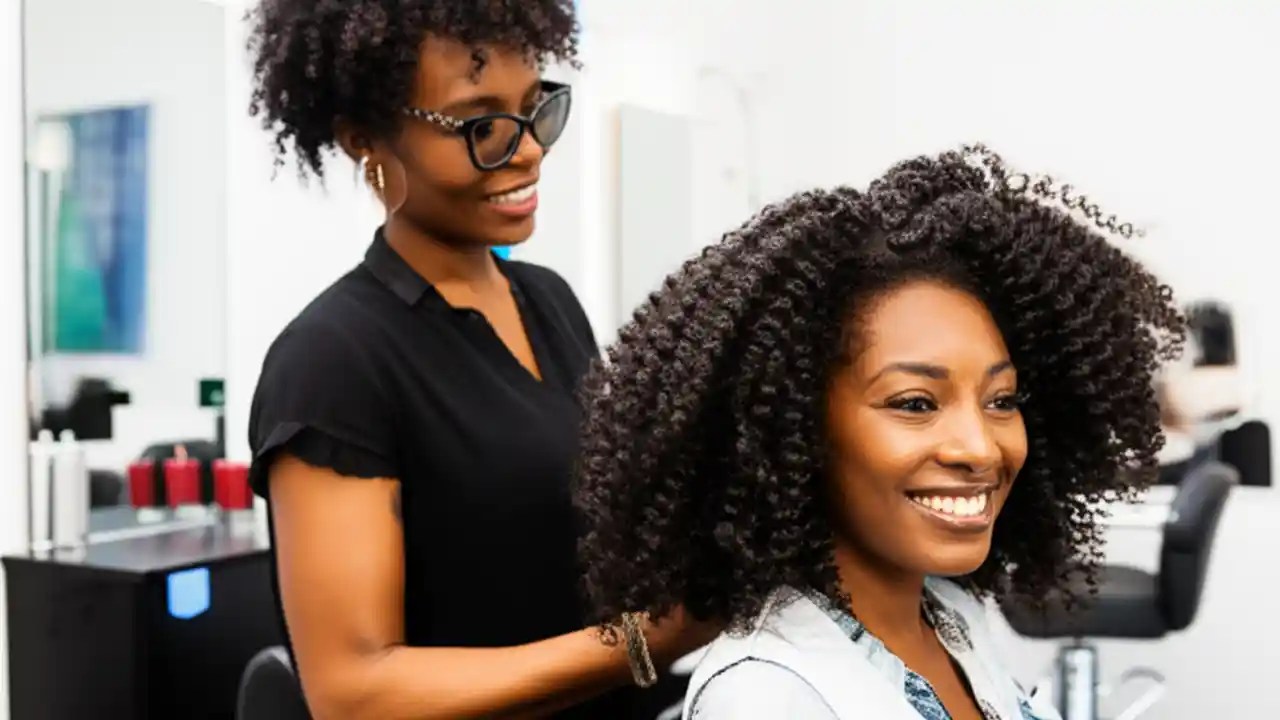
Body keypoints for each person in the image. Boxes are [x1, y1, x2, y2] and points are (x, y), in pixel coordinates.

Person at [574, 145, 1184, 719]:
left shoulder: (950, 616)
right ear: (793, 431)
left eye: (1001, 400)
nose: (980, 448)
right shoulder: (769, 698)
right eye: (916, 403)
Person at [243, 2, 714, 718]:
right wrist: (645, 641)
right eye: (482, 125)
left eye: (534, 110)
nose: (529, 152)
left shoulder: (549, 301)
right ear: (364, 139)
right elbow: (354, 694)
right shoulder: (331, 360)